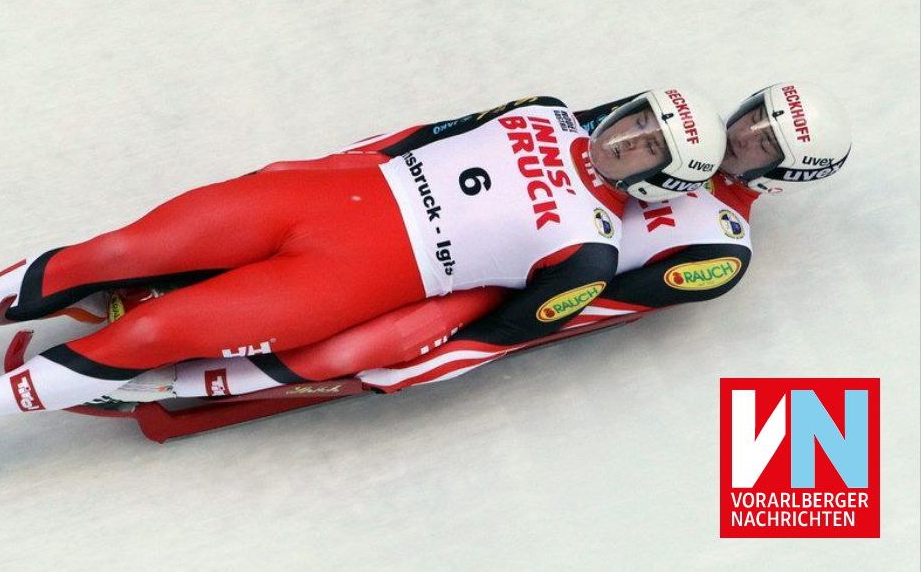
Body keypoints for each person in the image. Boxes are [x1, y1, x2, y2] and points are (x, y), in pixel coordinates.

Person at [0, 88, 726, 436]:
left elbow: (498, 338)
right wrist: (303, 170)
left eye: (650, 149)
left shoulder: (591, 247)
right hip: (321, 203)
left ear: (657, 182)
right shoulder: (541, 112)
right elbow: (406, 137)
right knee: (121, 250)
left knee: (158, 330)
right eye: (638, 121)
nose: (630, 140)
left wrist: (387, 368)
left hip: (351, 282)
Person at [114, 82, 850, 400]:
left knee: (353, 353)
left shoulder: (722, 250)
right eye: (754, 116)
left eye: (763, 143)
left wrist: (468, 348)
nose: (744, 135)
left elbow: (589, 307)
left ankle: (171, 380)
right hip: (451, 216)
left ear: (782, 176)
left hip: (505, 283)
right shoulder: (673, 121)